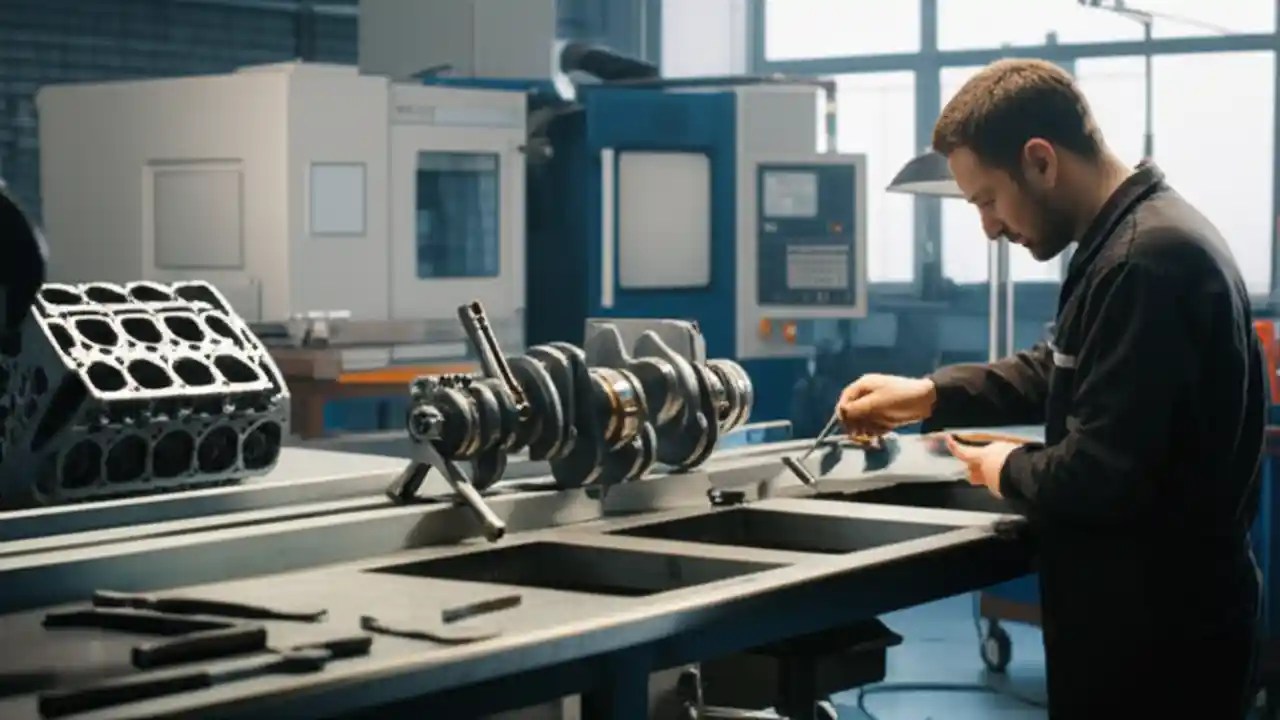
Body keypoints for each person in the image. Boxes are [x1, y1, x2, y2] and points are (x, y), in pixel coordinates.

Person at [837, 58, 1266, 718]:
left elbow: (1102, 476)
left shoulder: (1144, 261)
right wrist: (926, 395)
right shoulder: (1131, 240)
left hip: (1155, 647)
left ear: (1040, 161)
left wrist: (1003, 465)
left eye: (985, 199)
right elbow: (1058, 366)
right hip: (1150, 626)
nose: (987, 226)